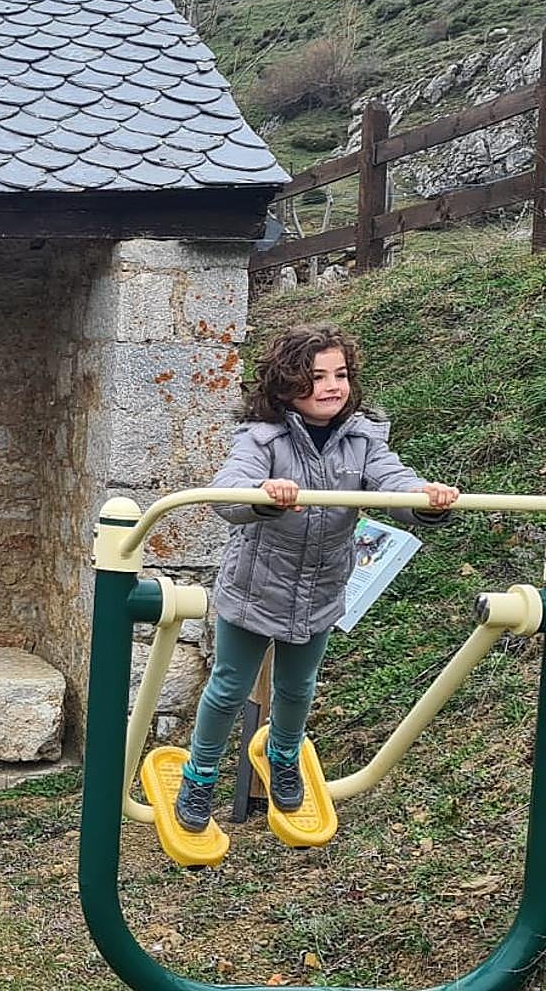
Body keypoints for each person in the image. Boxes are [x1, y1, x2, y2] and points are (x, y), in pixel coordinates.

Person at [173, 323, 459, 832]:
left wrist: (426, 498)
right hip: (256, 587)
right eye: (316, 376)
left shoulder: (363, 440)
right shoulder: (263, 439)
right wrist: (262, 491)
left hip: (322, 589)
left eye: (341, 375)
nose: (332, 386)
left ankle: (284, 757)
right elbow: (226, 492)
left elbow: (395, 484)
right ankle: (201, 773)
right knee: (229, 687)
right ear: (285, 385)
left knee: (298, 686)